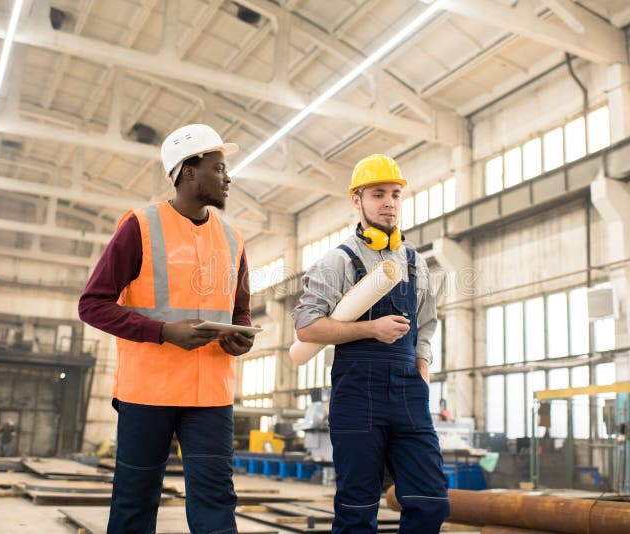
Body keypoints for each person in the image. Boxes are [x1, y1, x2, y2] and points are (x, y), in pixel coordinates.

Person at [79, 123, 257, 534]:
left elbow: (241, 310)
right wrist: (164, 332)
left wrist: (240, 337)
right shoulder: (140, 226)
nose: (228, 177)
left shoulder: (233, 238)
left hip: (211, 395)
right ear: (188, 172)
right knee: (135, 500)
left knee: (216, 500)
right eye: (219, 167)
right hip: (147, 392)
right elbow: (92, 305)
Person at [293, 154, 450, 533]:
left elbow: (426, 326)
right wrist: (370, 329)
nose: (389, 203)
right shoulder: (339, 261)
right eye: (378, 194)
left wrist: (422, 376)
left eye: (395, 194)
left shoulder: (416, 264)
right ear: (356, 200)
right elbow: (306, 327)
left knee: (431, 500)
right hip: (357, 390)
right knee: (357, 508)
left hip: (409, 389)